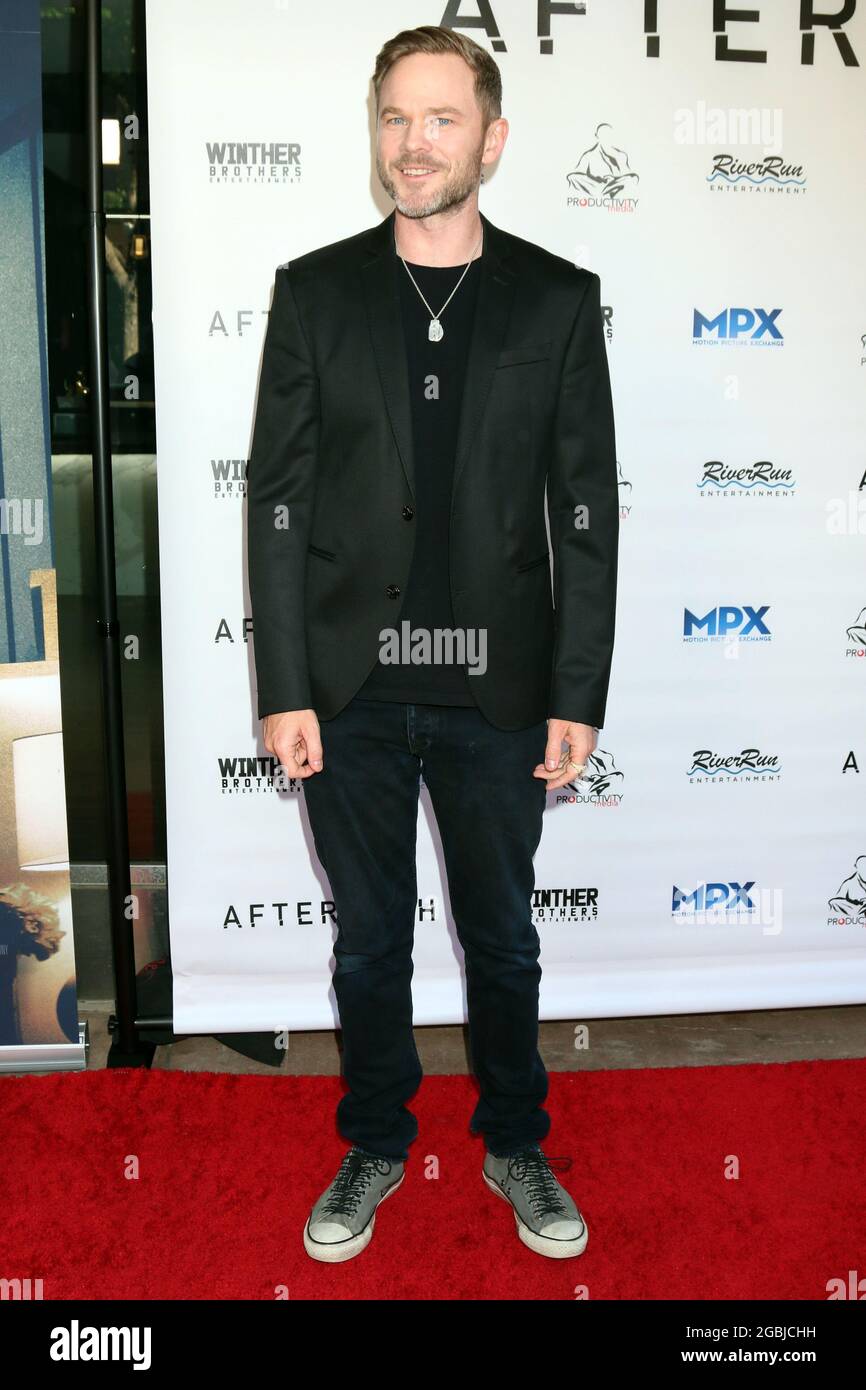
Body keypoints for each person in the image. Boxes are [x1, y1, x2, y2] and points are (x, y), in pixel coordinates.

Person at [246, 23, 619, 1263]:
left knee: (502, 934)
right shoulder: (314, 292)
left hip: (500, 689)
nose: (413, 143)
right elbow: (279, 502)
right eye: (395, 119)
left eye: (440, 119)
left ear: (491, 138)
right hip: (349, 693)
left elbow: (584, 508)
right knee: (368, 938)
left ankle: (514, 1137)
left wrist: (579, 691)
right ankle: (373, 1141)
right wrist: (283, 684)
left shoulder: (557, 301)